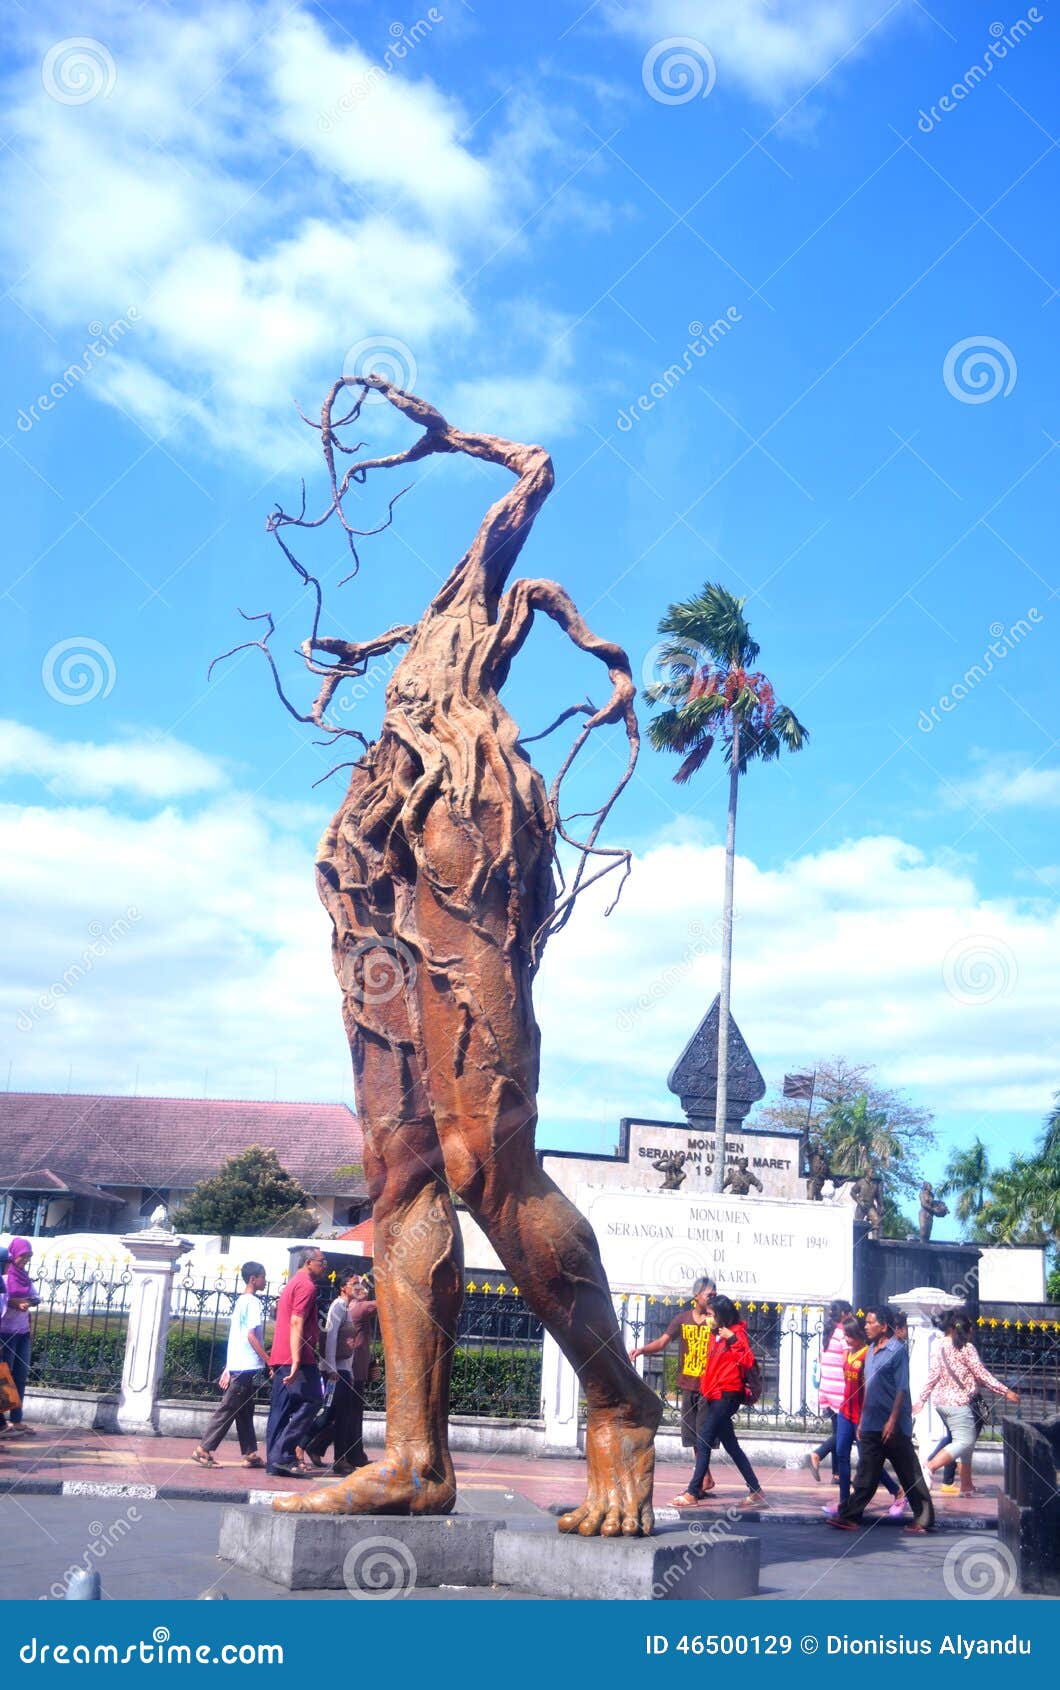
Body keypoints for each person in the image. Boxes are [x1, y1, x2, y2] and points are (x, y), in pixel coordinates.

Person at [827, 1303, 934, 1534]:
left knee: (909, 1473)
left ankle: (924, 1519)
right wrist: (862, 1419)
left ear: (884, 1326)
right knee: (866, 1474)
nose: (865, 1326)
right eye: (865, 1322)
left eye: (870, 1322)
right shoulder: (870, 1351)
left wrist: (892, 1420)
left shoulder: (897, 1351)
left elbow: (902, 1389)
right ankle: (850, 1516)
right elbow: (867, 1387)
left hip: (894, 1427)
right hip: (871, 1423)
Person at [672, 1294, 765, 1508]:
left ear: (722, 1315)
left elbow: (747, 1360)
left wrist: (732, 1339)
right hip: (714, 1395)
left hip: (728, 1395)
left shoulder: (736, 1334)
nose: (707, 1318)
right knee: (731, 1446)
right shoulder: (715, 1335)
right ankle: (756, 1490)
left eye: (711, 1314)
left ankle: (692, 1492)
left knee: (703, 1439)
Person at [913, 1312, 1018, 1497]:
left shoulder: (938, 1345)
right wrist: (1005, 1391)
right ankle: (929, 1466)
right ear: (968, 1331)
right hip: (960, 1404)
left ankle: (967, 1486)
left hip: (942, 1404)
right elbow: (981, 1374)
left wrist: (922, 1399)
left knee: (964, 1444)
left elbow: (933, 1375)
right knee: (964, 1441)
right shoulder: (967, 1348)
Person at [821, 1316, 902, 1518]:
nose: (846, 1340)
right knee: (841, 1455)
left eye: (849, 1336)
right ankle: (844, 1502)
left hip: (861, 1415)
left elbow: (868, 1389)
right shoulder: (849, 1353)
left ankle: (897, 1491)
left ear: (858, 1335)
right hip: (845, 1411)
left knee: (868, 1460)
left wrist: (864, 1419)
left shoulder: (867, 1355)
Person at [192, 1262, 269, 1469]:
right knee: (228, 1408)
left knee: (245, 1409)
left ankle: (250, 1453)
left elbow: (236, 1337)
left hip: (240, 1364)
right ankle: (203, 1449)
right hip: (245, 1364)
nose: (265, 1280)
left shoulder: (241, 1301)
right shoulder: (252, 1302)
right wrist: (268, 1360)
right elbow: (251, 1336)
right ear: (253, 1279)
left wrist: (229, 1366)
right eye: (263, 1277)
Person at [303, 1271, 378, 1474]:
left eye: (361, 1284)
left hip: (346, 1370)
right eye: (355, 1284)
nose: (360, 1287)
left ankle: (338, 1456)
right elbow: (330, 1337)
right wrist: (331, 1368)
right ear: (343, 1287)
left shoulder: (346, 1307)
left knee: (339, 1415)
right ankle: (303, 1444)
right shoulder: (346, 1307)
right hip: (339, 1371)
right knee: (335, 1414)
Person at [629, 1277, 715, 1449]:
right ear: (696, 1295)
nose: (713, 1299)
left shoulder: (716, 1320)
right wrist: (642, 1350)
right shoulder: (682, 1319)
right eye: (709, 1295)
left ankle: (703, 1467)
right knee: (692, 1436)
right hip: (688, 1384)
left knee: (706, 1435)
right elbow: (662, 1342)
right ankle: (701, 1466)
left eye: (715, 1295)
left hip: (710, 1385)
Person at [265, 1247, 329, 1477]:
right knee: (314, 1399)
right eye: (322, 1261)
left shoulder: (294, 1282)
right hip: (297, 1357)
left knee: (281, 1410)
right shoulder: (306, 1286)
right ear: (309, 1262)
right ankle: (281, 1455)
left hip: (284, 1354)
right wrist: (296, 1360)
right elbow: (295, 1321)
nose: (325, 1266)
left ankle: (275, 1463)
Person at [808, 1298, 852, 1483]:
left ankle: (837, 1473)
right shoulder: (844, 1333)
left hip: (827, 1387)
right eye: (849, 1313)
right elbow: (846, 1362)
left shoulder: (829, 1332)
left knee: (837, 1431)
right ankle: (818, 1454)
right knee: (845, 1433)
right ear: (844, 1314)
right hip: (839, 1389)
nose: (851, 1317)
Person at [0, 1239, 40, 1436]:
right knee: (4, 1377)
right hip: (5, 1333)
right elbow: (3, 1300)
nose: (26, 1259)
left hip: (22, 1332)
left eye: (29, 1256)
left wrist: (29, 1302)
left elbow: (35, 1296)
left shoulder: (25, 1278)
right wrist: (15, 1303)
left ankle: (16, 1419)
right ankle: (2, 1421)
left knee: (20, 1375)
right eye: (23, 1255)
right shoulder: (5, 1277)